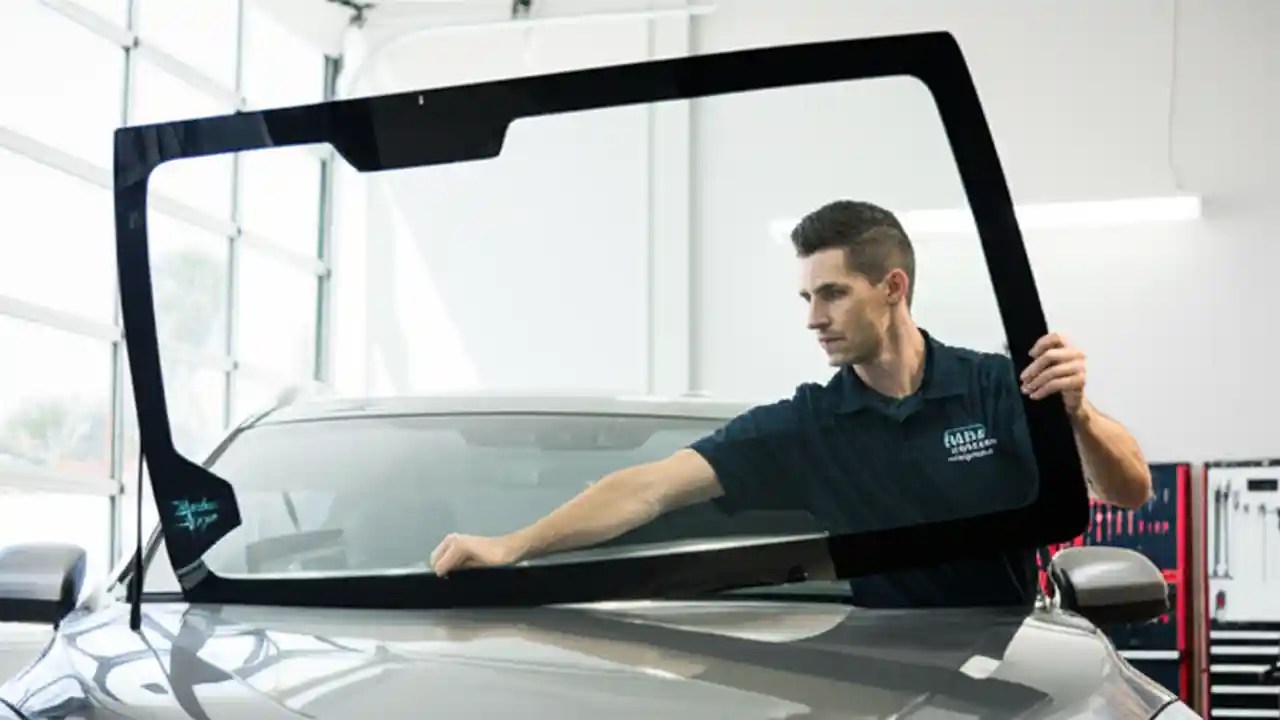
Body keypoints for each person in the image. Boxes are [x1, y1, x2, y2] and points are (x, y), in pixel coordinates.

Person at [428, 199, 1152, 608]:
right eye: (807, 297)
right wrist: (511, 545)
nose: (813, 318)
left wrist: (1078, 414)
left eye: (832, 293)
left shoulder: (998, 386)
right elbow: (645, 489)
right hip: (874, 678)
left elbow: (1130, 487)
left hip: (1013, 661)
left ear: (893, 288)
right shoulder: (808, 426)